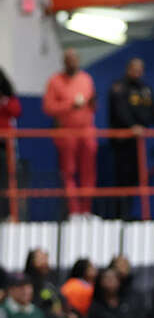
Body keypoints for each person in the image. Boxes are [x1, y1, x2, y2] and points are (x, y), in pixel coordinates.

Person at [107, 57, 154, 218]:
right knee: (123, 178)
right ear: (128, 69)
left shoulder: (145, 89)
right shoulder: (119, 87)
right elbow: (120, 110)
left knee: (136, 178)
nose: (137, 72)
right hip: (122, 141)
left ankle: (129, 214)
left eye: (140, 69)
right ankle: (121, 216)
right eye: (134, 69)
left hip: (139, 142)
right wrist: (131, 126)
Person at [42, 47, 98, 218]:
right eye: (69, 60)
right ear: (64, 62)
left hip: (86, 131)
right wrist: (70, 105)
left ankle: (86, 211)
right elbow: (48, 107)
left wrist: (92, 104)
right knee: (69, 172)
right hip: (66, 132)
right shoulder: (55, 81)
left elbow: (92, 105)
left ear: (78, 61)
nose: (72, 62)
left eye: (74, 59)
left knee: (88, 172)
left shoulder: (86, 79)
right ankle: (73, 212)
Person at [0, 64, 21, 220]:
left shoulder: (7, 97)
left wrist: (4, 101)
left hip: (4, 143)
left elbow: (16, 111)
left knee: (6, 179)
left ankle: (7, 214)